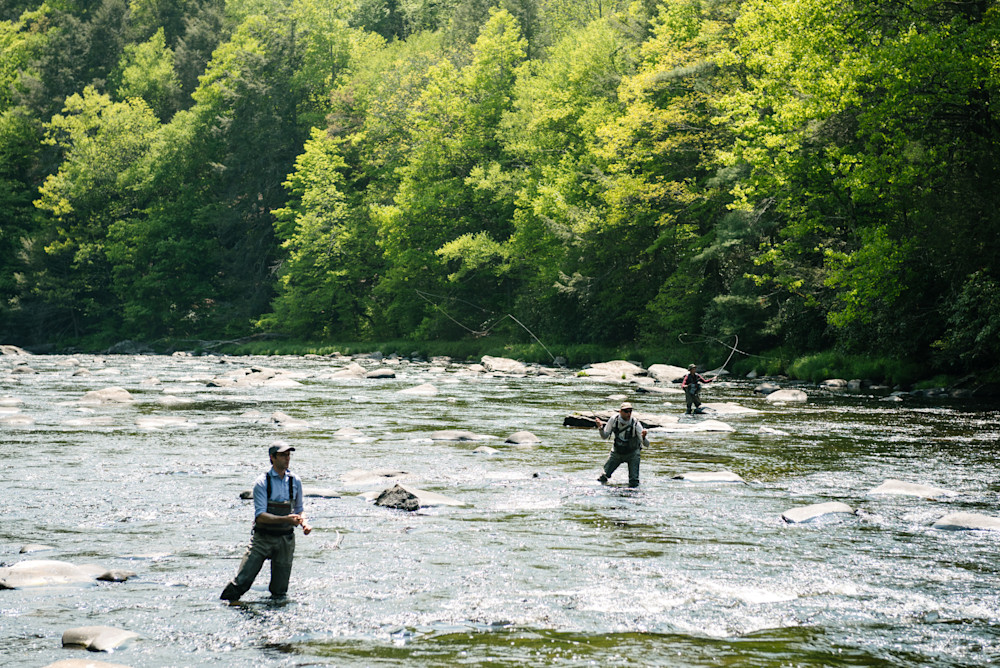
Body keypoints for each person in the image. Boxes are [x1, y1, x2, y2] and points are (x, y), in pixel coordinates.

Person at [220, 442, 311, 601]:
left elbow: (299, 508)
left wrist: (304, 523)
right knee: (241, 582)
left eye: (288, 455)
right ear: (272, 458)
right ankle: (224, 605)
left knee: (280, 591)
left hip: (285, 540)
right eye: (283, 455)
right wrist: (286, 519)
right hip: (262, 539)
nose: (287, 458)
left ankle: (275, 618)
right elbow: (260, 516)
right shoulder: (262, 482)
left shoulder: (295, 480)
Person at [595, 402, 649, 488]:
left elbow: (647, 445)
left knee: (634, 482)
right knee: (602, 477)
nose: (628, 413)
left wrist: (643, 437)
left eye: (630, 411)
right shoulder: (614, 419)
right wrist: (600, 428)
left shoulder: (635, 423)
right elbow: (604, 436)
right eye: (626, 411)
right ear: (620, 411)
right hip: (617, 453)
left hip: (633, 454)